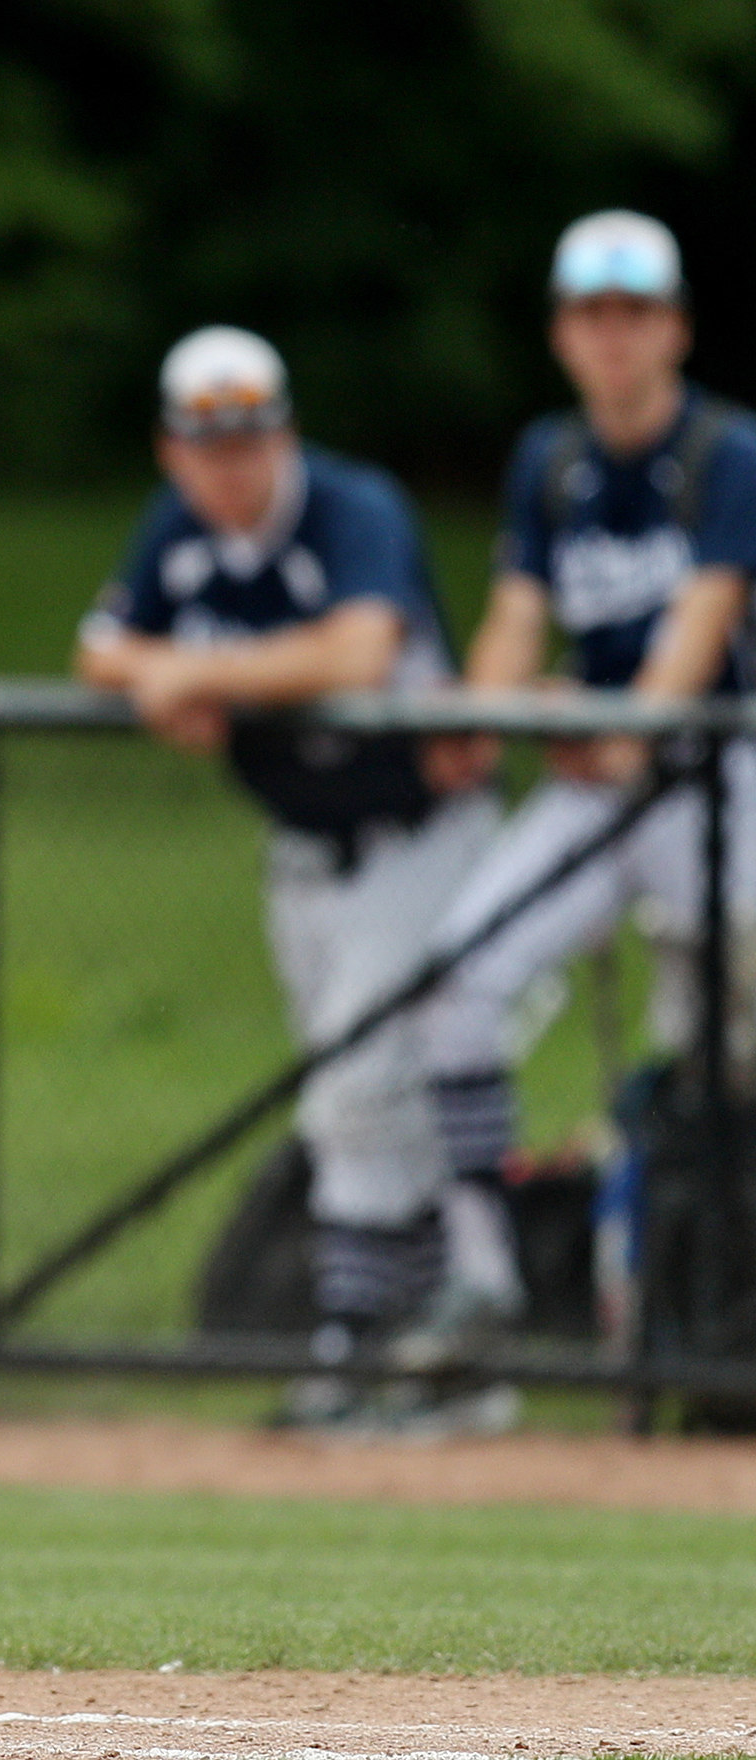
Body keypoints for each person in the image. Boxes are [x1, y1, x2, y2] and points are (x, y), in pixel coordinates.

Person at [74, 326, 499, 1427]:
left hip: (418, 836)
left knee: (359, 1088)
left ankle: (365, 1352)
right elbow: (98, 649)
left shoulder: (353, 506)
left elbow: (357, 651)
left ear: (286, 433)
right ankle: (423, 1369)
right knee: (352, 1107)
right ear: (173, 452)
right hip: (303, 859)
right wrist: (161, 672)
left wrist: (193, 673)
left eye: (251, 438)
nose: (232, 464)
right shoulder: (181, 529)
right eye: (208, 445)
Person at [415, 210, 756, 1365]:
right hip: (595, 792)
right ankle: (483, 1275)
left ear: (676, 329)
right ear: (564, 333)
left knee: (742, 1008)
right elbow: (519, 611)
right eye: (593, 316)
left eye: (636, 315)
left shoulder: (724, 451)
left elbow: (703, 618)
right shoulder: (550, 460)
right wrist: (478, 719)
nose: (615, 338)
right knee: (457, 977)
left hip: (718, 775)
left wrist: (610, 728)